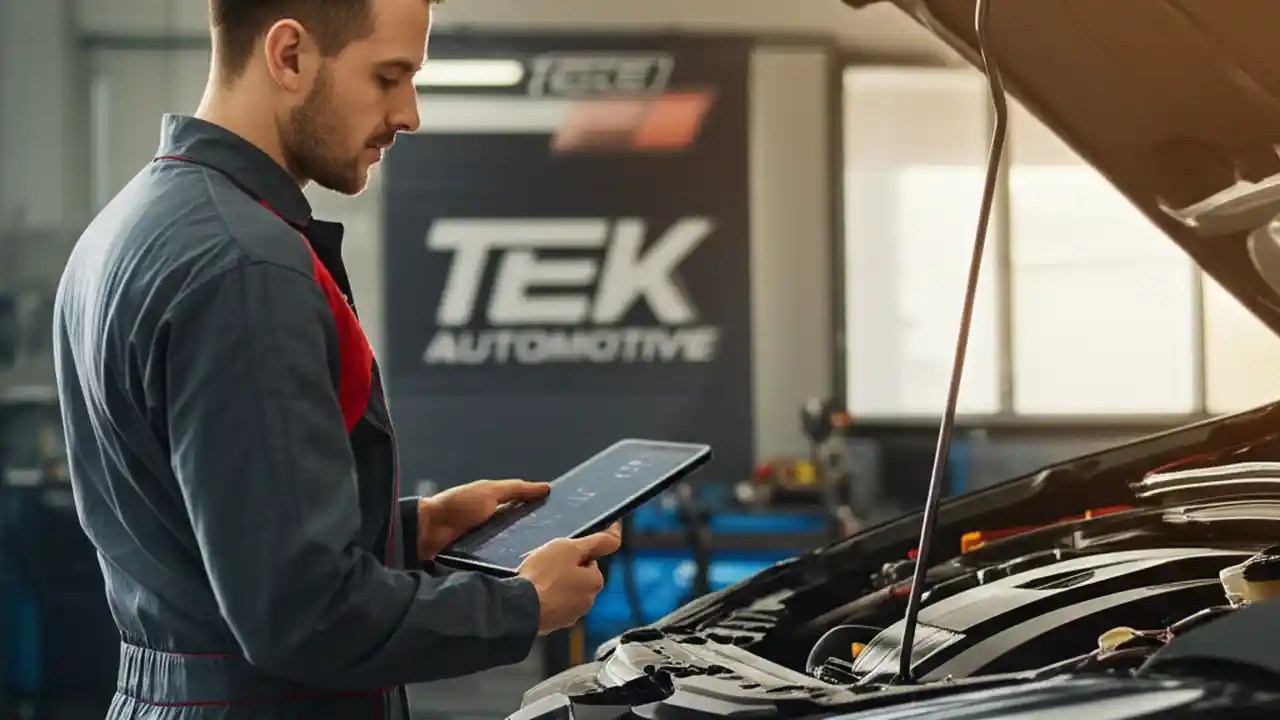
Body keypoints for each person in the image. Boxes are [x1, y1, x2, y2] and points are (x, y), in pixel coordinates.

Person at [51, 0, 621, 717]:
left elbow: (215, 537)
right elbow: (302, 613)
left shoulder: (130, 224)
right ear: (289, 55)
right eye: (388, 77)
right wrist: (521, 605)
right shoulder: (246, 269)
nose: (409, 114)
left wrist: (408, 530)